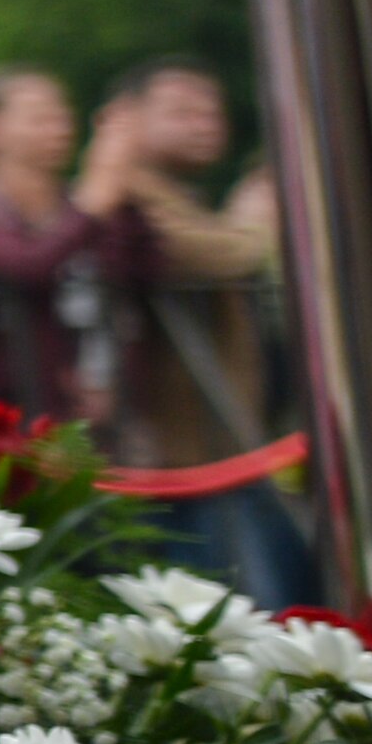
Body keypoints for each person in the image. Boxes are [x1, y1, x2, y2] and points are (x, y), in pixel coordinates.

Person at [82, 56, 315, 605]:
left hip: (230, 446)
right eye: (183, 111)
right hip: (187, 459)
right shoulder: (129, 198)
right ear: (126, 119)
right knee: (252, 613)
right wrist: (260, 223)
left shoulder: (179, 197)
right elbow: (217, 254)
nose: (205, 124)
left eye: (212, 111)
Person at [0, 66, 123, 422]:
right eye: (40, 118)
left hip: (82, 409)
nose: (61, 128)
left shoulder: (81, 206)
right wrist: (92, 208)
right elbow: (27, 267)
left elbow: (139, 265)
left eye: (64, 115)